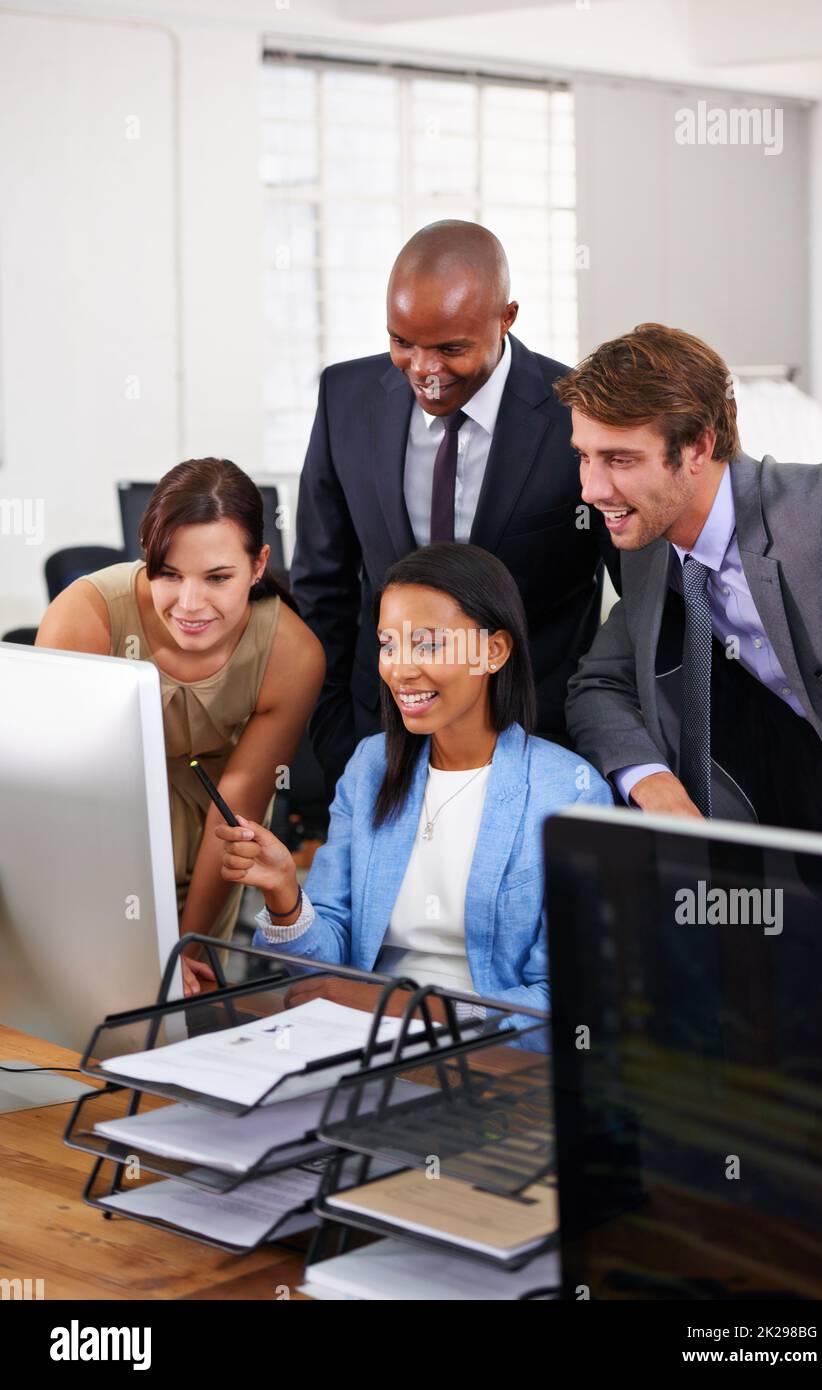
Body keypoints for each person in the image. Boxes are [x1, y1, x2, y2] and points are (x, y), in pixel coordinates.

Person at [216, 543, 612, 1046]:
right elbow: (321, 971)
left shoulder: (570, 795)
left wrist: (408, 1010)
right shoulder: (370, 767)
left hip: (489, 1063)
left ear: (493, 651)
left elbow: (568, 998)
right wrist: (284, 895)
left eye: (426, 644)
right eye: (388, 644)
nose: (400, 670)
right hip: (358, 1042)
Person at [290, 218, 619, 796]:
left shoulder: (578, 412)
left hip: (535, 741)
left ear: (507, 318)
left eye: (451, 348)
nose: (425, 370)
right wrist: (336, 737)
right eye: (402, 342)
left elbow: (636, 610)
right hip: (381, 735)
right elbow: (322, 586)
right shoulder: (345, 398)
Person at [559, 323, 822, 834]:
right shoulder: (647, 544)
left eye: (620, 459)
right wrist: (652, 783)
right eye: (584, 457)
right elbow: (599, 685)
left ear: (698, 448)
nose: (591, 490)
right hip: (791, 839)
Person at [36, 458, 325, 990]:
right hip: (101, 829)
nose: (190, 604)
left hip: (212, 829)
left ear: (258, 565)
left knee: (181, 1001)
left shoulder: (291, 652)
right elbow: (62, 801)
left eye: (218, 577)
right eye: (168, 574)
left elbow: (235, 804)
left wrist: (187, 947)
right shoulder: (86, 616)